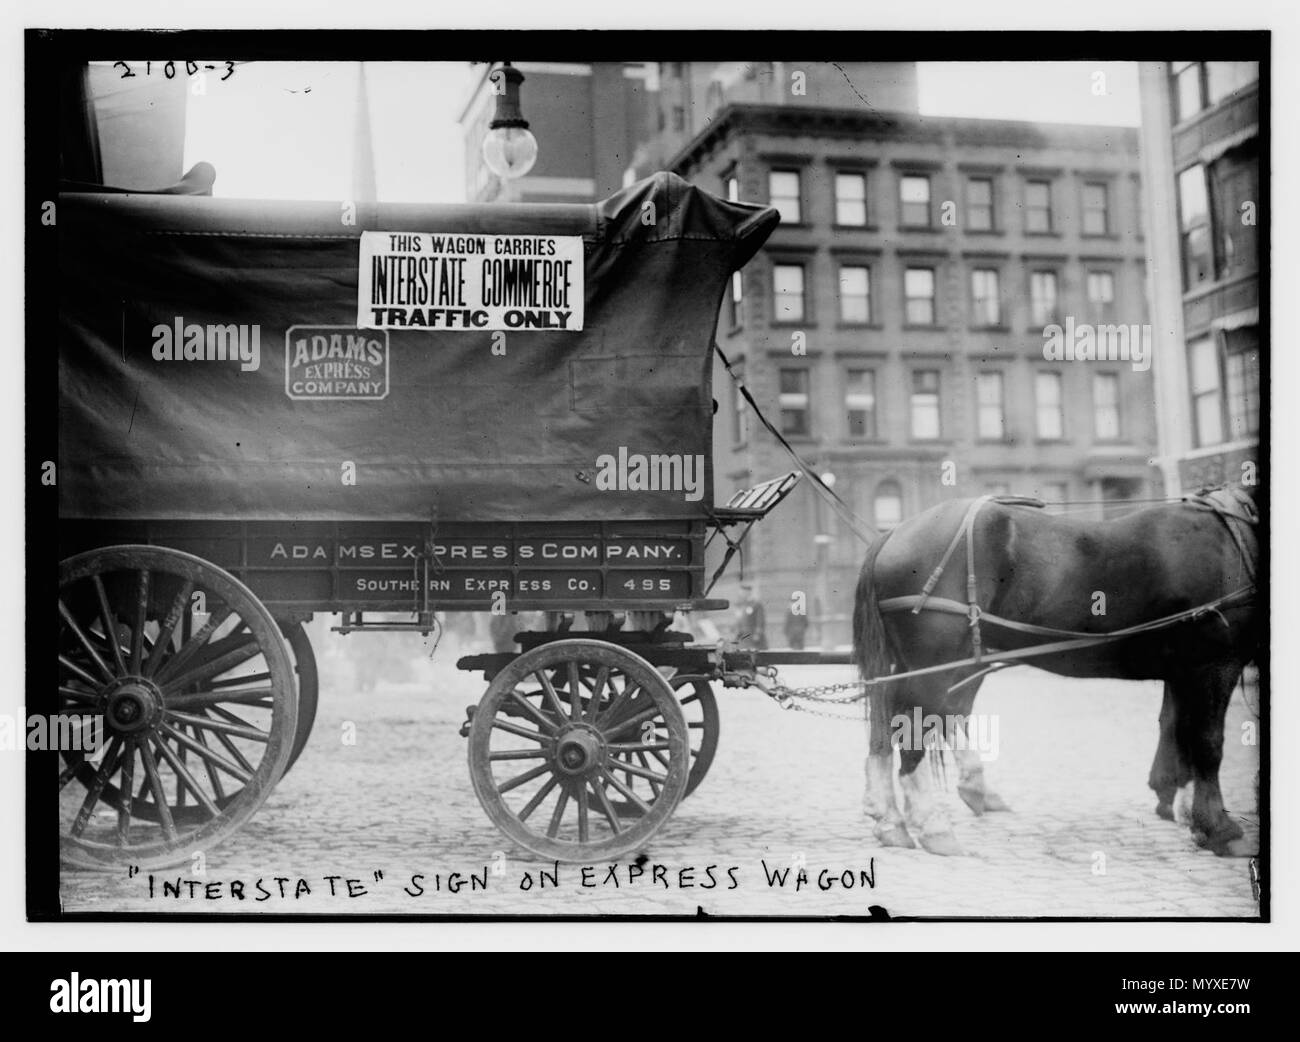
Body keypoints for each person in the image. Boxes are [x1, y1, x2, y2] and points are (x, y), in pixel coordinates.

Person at [734, 582, 767, 650]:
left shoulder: (756, 605)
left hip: (753, 636)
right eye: (741, 592)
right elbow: (738, 621)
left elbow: (760, 621)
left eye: (744, 592)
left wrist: (757, 634)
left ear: (749, 592)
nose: (742, 594)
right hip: (742, 636)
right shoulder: (740, 605)